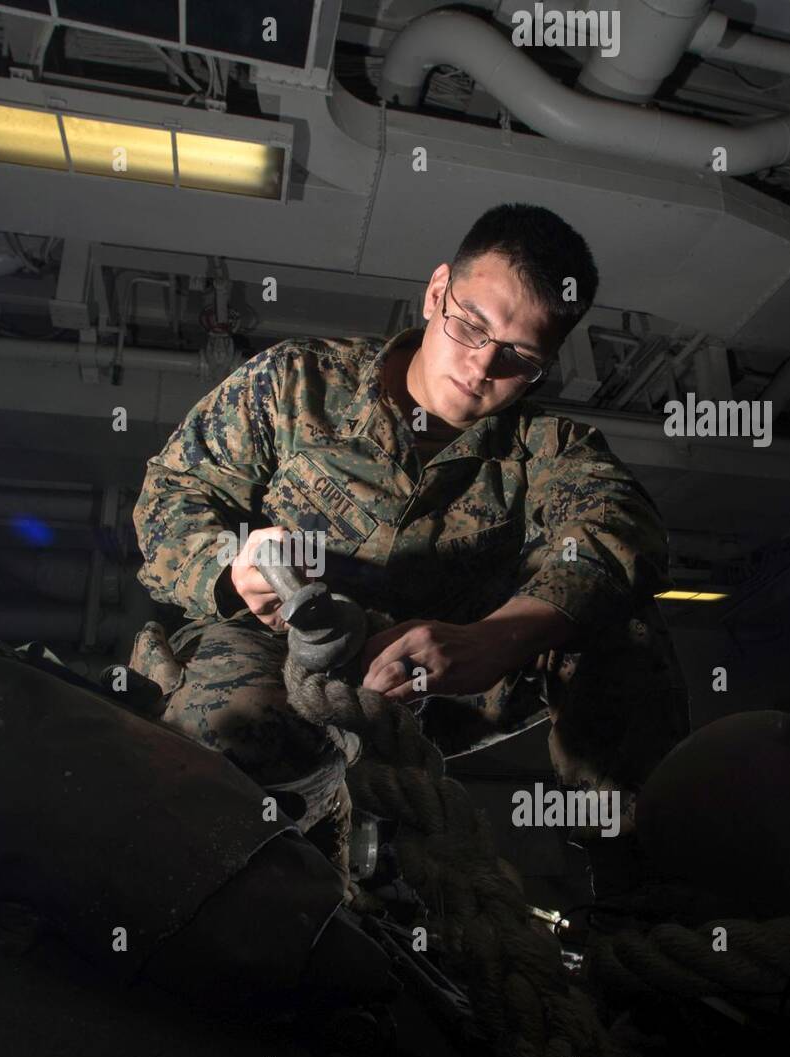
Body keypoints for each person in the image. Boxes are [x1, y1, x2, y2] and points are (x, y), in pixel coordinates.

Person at [133, 203, 690, 881]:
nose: (483, 365)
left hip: (436, 685)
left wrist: (496, 639)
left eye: (518, 357)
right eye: (470, 326)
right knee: (226, 730)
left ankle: (634, 902)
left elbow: (621, 528)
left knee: (623, 626)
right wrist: (229, 566)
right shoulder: (297, 382)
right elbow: (172, 495)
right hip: (273, 650)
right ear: (434, 294)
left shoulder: (546, 449)